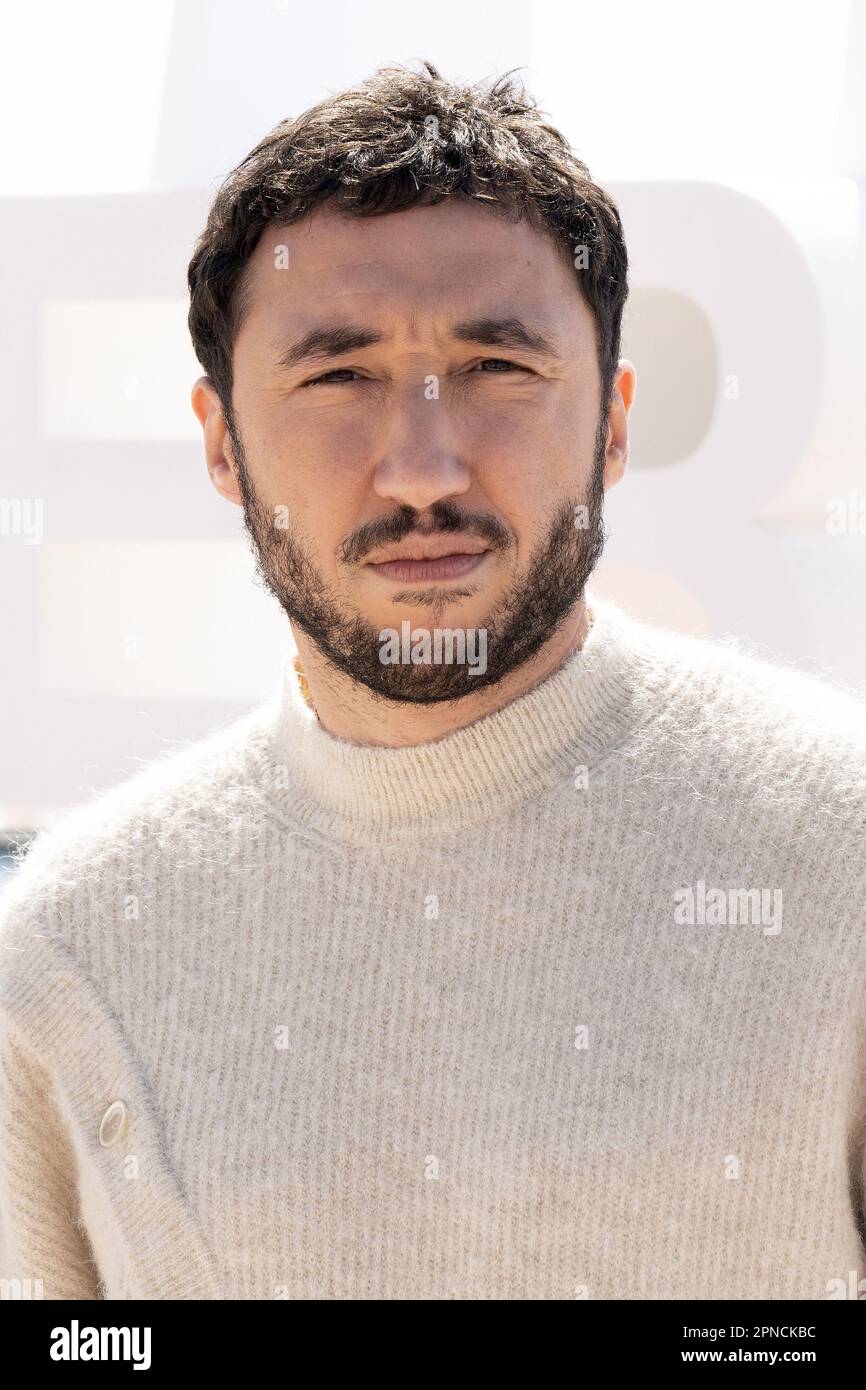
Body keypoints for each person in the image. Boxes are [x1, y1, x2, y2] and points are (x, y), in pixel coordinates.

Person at [1, 59, 864, 1302]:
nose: (421, 468)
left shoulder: (834, 855)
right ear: (221, 442)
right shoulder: (79, 942)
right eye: (337, 376)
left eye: (497, 367)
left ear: (614, 422)